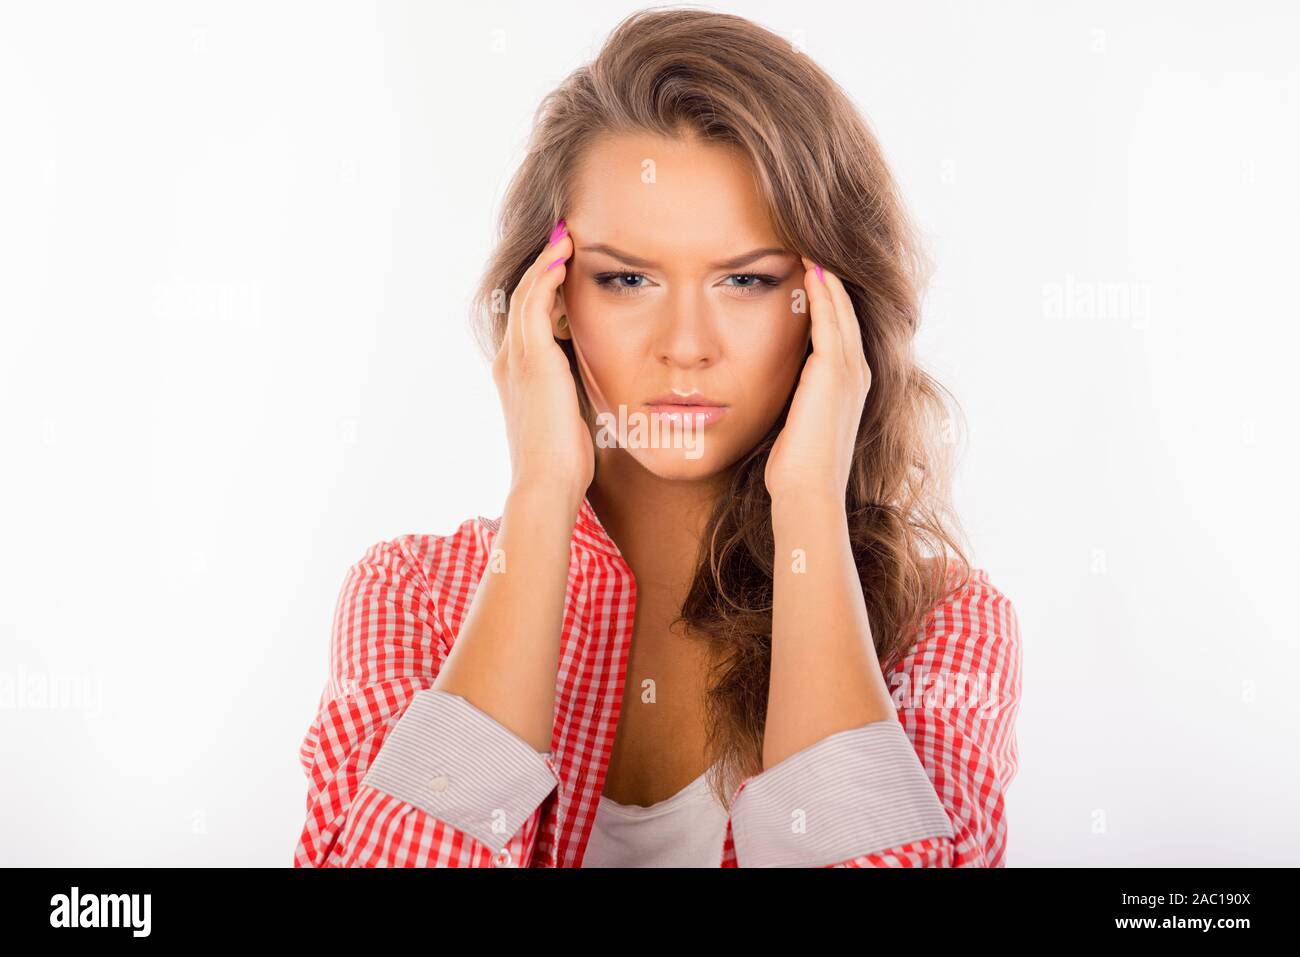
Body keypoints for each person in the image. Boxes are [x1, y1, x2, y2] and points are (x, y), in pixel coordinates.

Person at [293, 8, 1022, 868]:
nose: (685, 343)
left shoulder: (936, 628)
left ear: (832, 312)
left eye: (747, 279)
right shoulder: (413, 596)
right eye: (628, 277)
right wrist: (540, 497)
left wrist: (810, 506)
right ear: (552, 299)